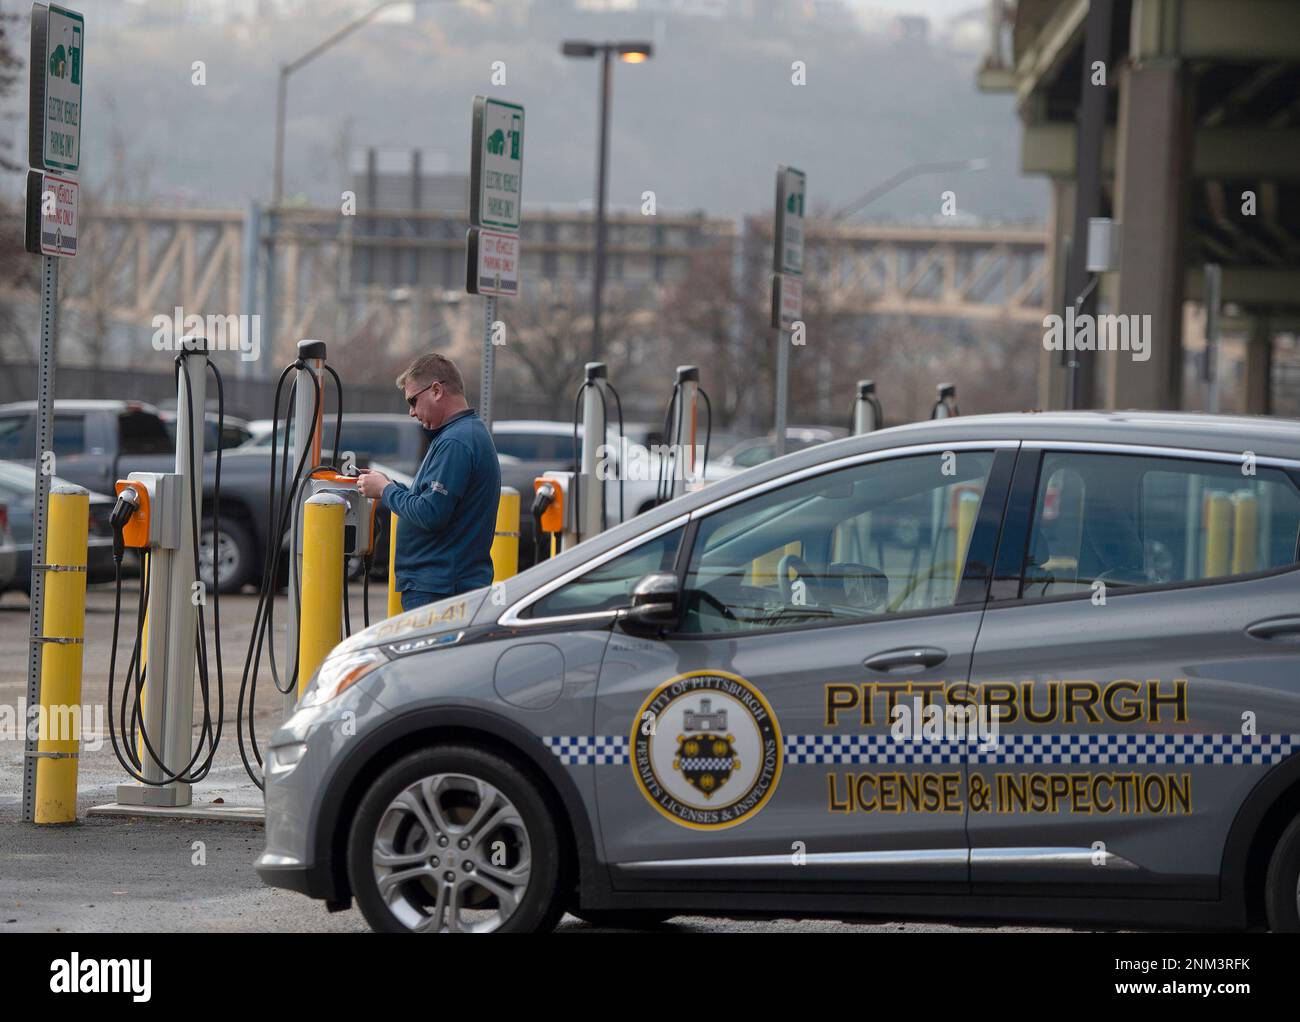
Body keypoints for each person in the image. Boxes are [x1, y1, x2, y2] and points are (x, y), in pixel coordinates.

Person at [356, 353, 500, 611]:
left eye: (413, 400)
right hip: (443, 587)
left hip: (440, 591)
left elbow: (432, 513)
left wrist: (386, 490)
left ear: (436, 390)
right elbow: (432, 503)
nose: (411, 412)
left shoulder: (456, 441)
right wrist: (392, 488)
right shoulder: (462, 434)